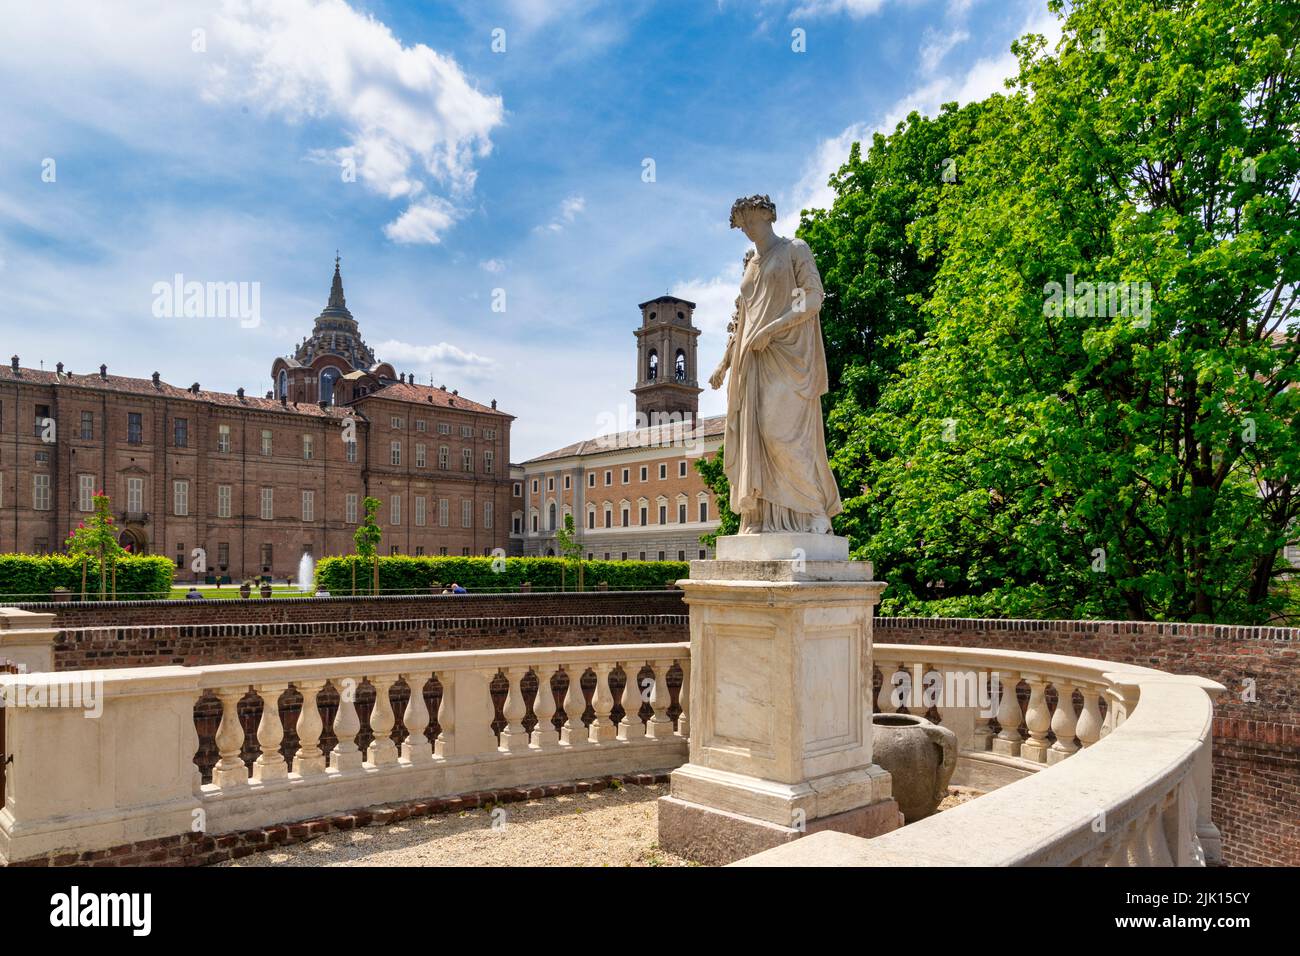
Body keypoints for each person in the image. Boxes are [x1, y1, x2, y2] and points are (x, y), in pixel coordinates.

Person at [711, 193, 842, 534]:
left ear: (768, 215)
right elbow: (740, 319)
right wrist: (724, 363)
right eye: (743, 226)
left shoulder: (794, 249)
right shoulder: (749, 262)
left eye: (752, 221)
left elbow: (814, 297)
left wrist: (772, 328)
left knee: (781, 433)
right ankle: (760, 517)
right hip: (750, 362)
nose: (748, 230)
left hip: (788, 355)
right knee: (753, 437)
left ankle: (814, 511)